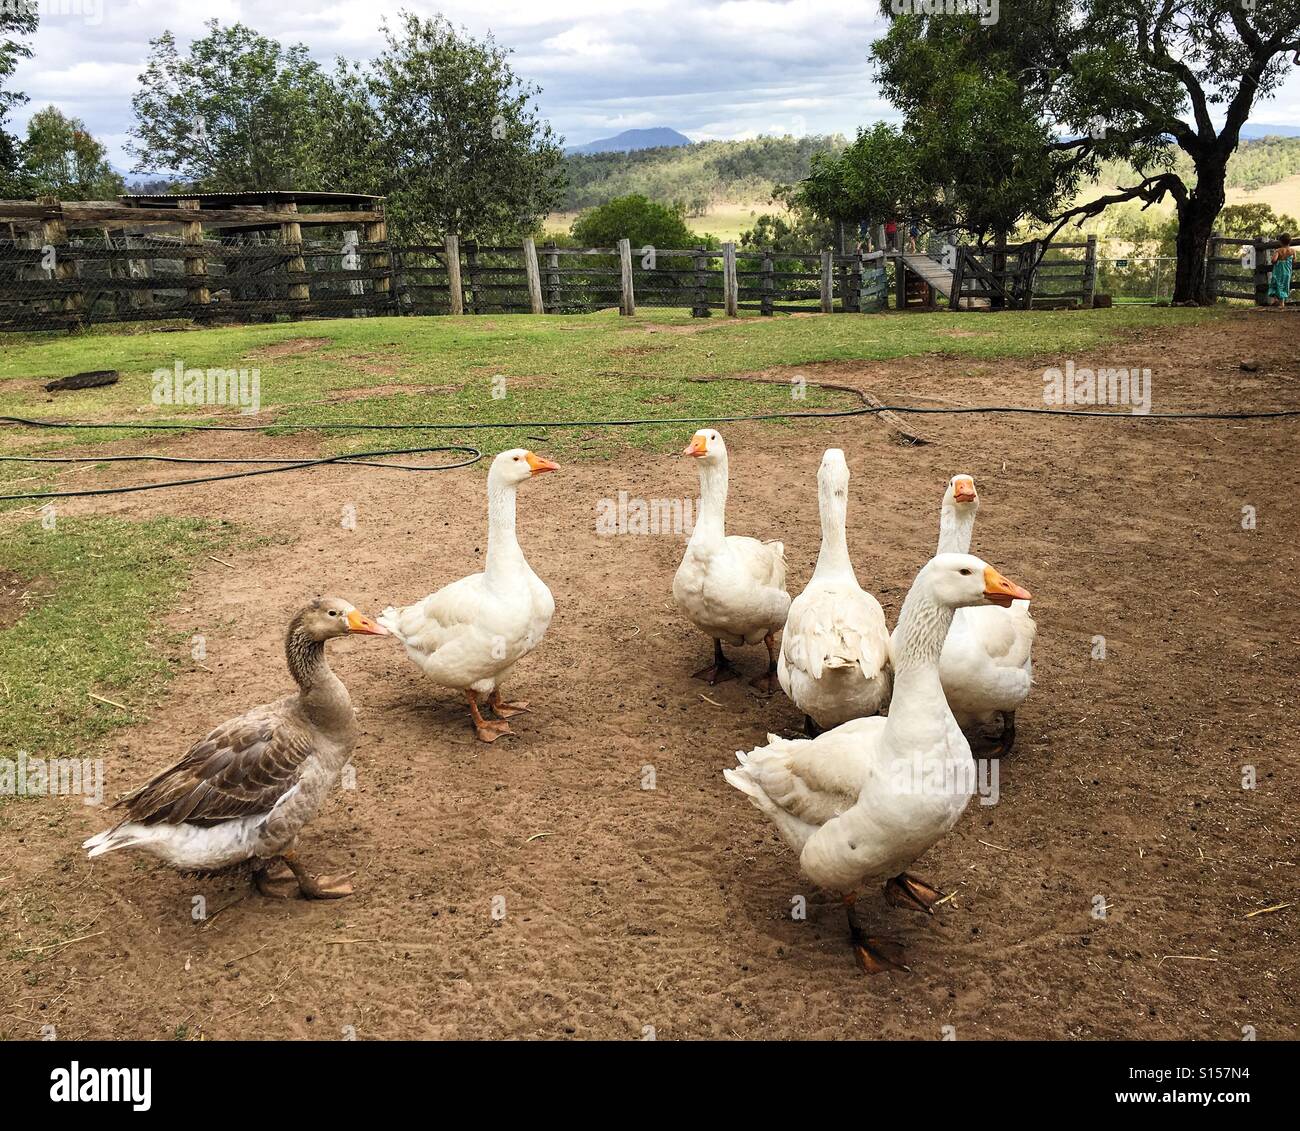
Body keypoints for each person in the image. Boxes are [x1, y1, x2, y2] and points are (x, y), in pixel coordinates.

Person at [1268, 233, 1294, 309]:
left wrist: (1275, 261)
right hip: (1287, 271)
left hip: (1278, 271)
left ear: (1280, 242)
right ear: (1290, 242)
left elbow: (1273, 260)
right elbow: (1294, 260)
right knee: (1284, 285)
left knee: (1276, 283)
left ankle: (1276, 300)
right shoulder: (1292, 251)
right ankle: (1281, 303)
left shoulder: (1278, 251)